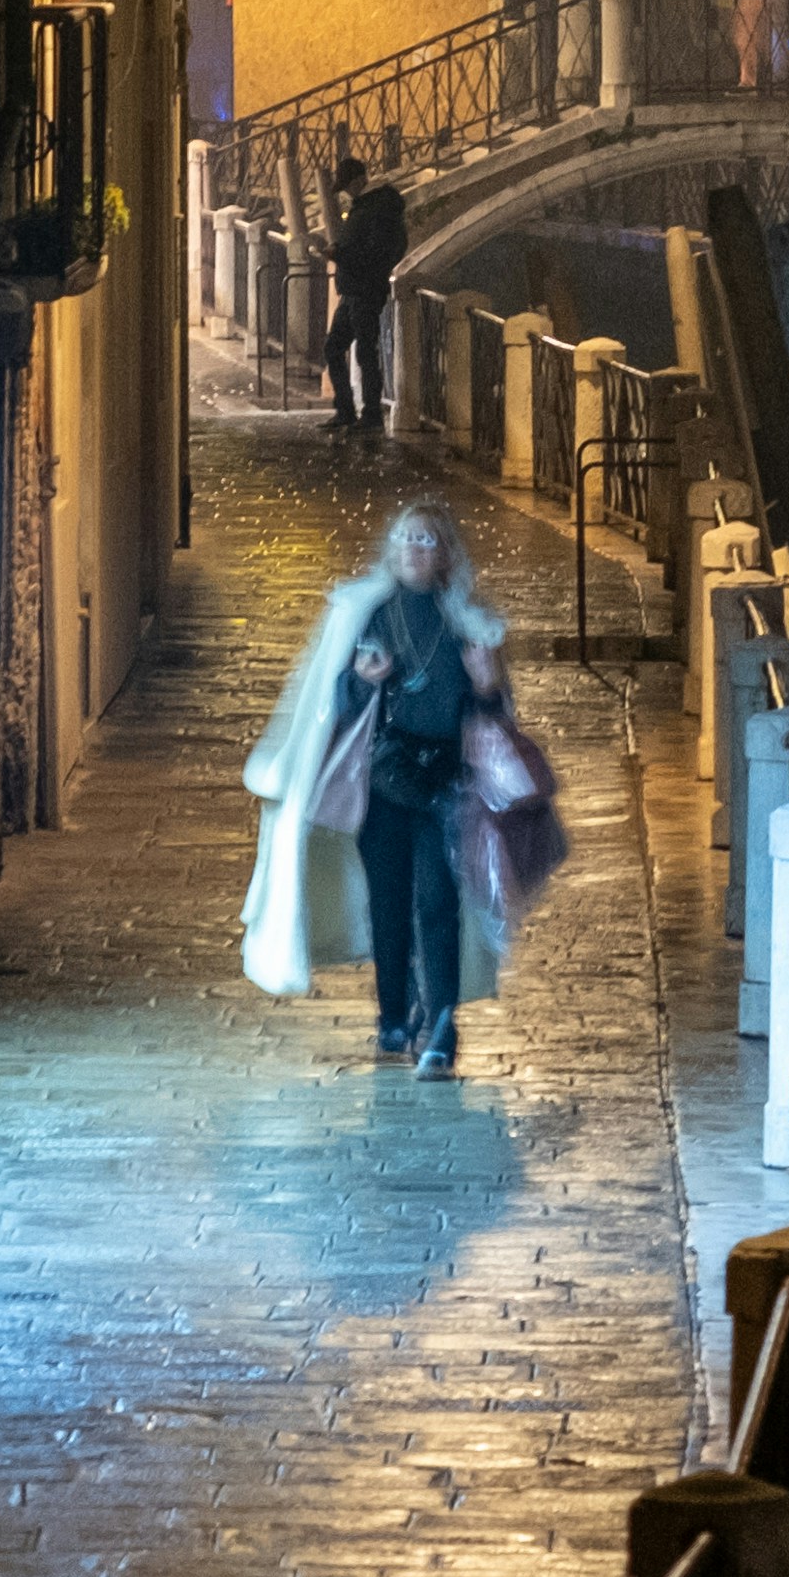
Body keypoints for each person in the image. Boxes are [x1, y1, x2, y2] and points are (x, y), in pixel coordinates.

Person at [240, 502, 516, 1073]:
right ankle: (394, 1016)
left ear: (444, 556)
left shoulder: (467, 622)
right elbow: (330, 704)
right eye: (406, 538)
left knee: (438, 900)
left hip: (448, 781)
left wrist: (488, 690)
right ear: (391, 551)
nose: (416, 548)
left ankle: (441, 1026)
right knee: (389, 903)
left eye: (427, 539)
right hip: (384, 781)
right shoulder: (363, 614)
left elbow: (492, 716)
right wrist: (360, 684)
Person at [322, 154, 406, 433]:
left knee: (365, 353)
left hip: (365, 290)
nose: (345, 192)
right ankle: (347, 410)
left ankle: (370, 414)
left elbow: (377, 252)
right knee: (335, 348)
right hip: (353, 291)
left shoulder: (377, 208)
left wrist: (341, 254)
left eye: (347, 186)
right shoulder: (365, 206)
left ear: (359, 181)